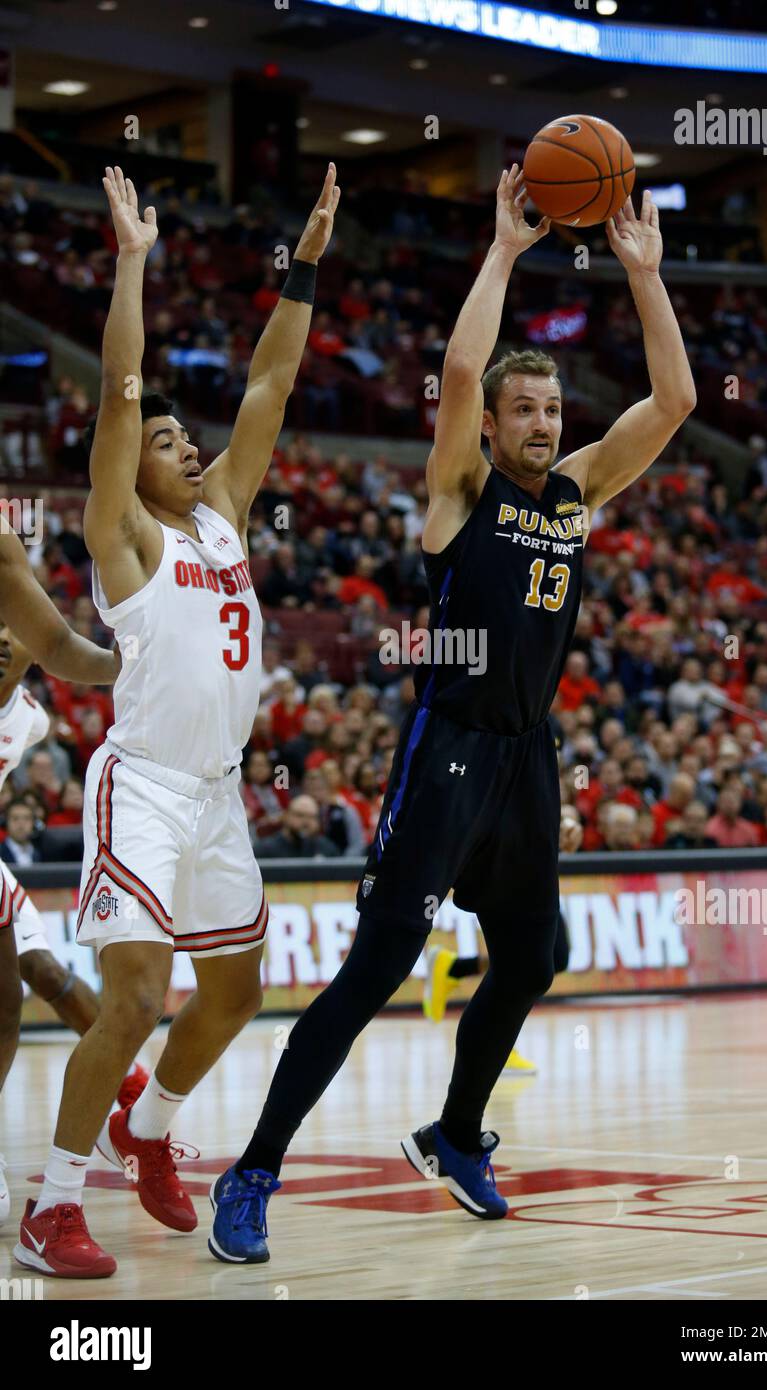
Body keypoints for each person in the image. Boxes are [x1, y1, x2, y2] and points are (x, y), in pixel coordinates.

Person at [208, 166, 694, 1260]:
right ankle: (252, 1171)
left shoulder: (572, 496)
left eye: (548, 409)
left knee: (532, 958)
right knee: (374, 968)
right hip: (448, 754)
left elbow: (673, 407)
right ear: (488, 427)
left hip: (527, 757)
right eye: (520, 410)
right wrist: (504, 252)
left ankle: (457, 1130)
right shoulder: (457, 495)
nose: (535, 421)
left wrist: (642, 274)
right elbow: (464, 364)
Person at [14, 162, 339, 1280]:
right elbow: (118, 387)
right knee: (139, 996)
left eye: (185, 438)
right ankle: (51, 1207)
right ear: (127, 470)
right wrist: (135, 262)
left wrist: (303, 264)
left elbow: (271, 386)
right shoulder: (129, 541)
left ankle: (143, 1129)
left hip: (219, 792)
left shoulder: (224, 518)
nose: (186, 447)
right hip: (143, 784)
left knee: (242, 991)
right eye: (164, 443)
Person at [0, 537, 119, 1228]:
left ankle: (123, 1094)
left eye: (17, 636)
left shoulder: (33, 720)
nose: (7, 640)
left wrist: (125, 662)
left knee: (37, 974)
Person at [422, 810, 581, 1075]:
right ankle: (498, 1049)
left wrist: (558, 824)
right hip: (506, 859)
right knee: (523, 965)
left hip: (529, 860)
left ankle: (454, 968)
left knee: (551, 958)